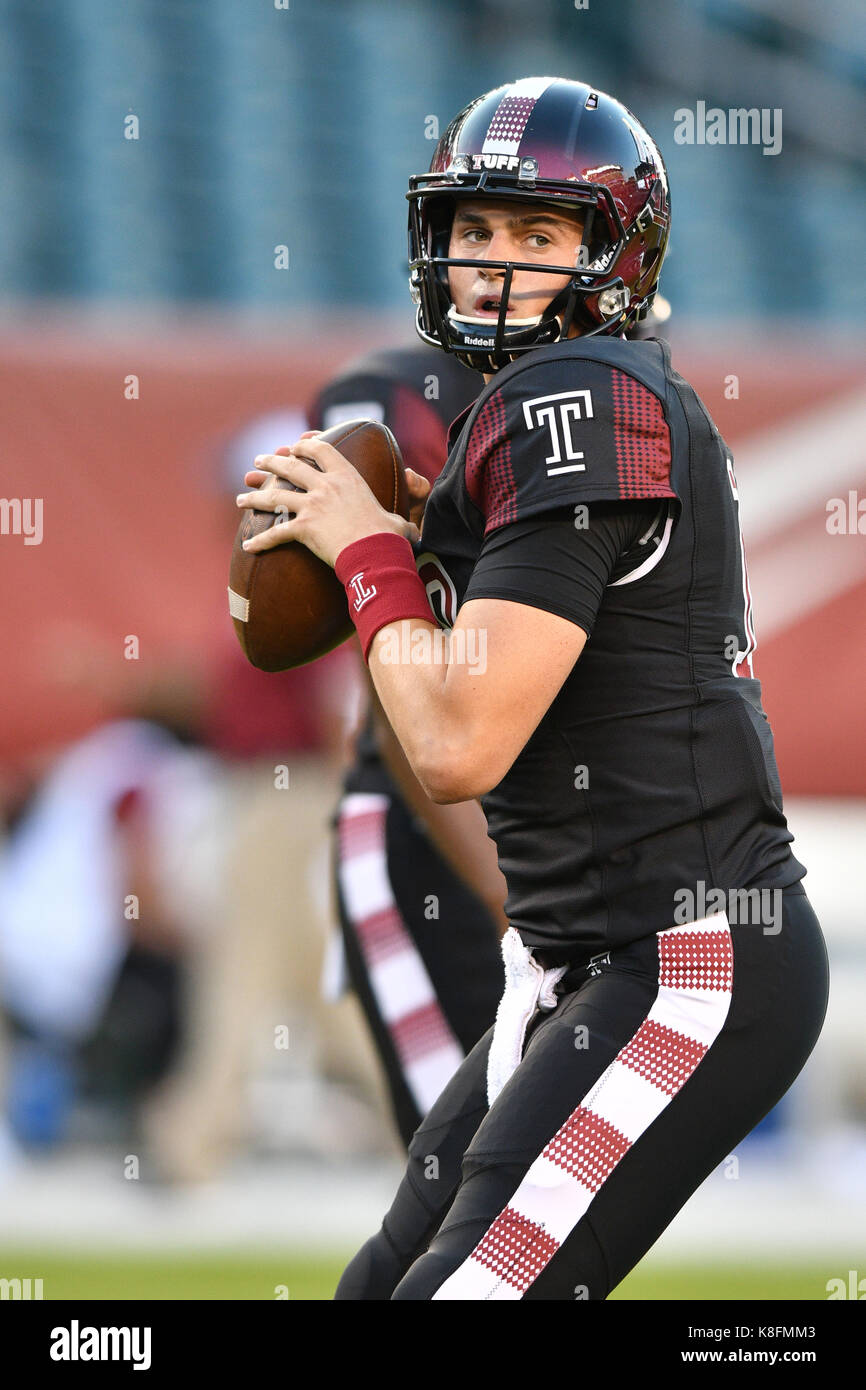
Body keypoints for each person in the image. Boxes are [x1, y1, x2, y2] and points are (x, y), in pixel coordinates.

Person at [235, 77, 829, 1300]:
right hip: (583, 959)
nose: (492, 262)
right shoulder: (554, 405)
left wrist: (363, 552)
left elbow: (455, 742)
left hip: (683, 955)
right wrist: (409, 538)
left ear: (613, 255)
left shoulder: (576, 396)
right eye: (476, 228)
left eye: (538, 234)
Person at [308, 344, 508, 1148]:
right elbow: (399, 702)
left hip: (548, 846)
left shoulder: (614, 414)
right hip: (437, 835)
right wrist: (508, 901)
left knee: (548, 1196)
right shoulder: (396, 404)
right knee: (463, 1178)